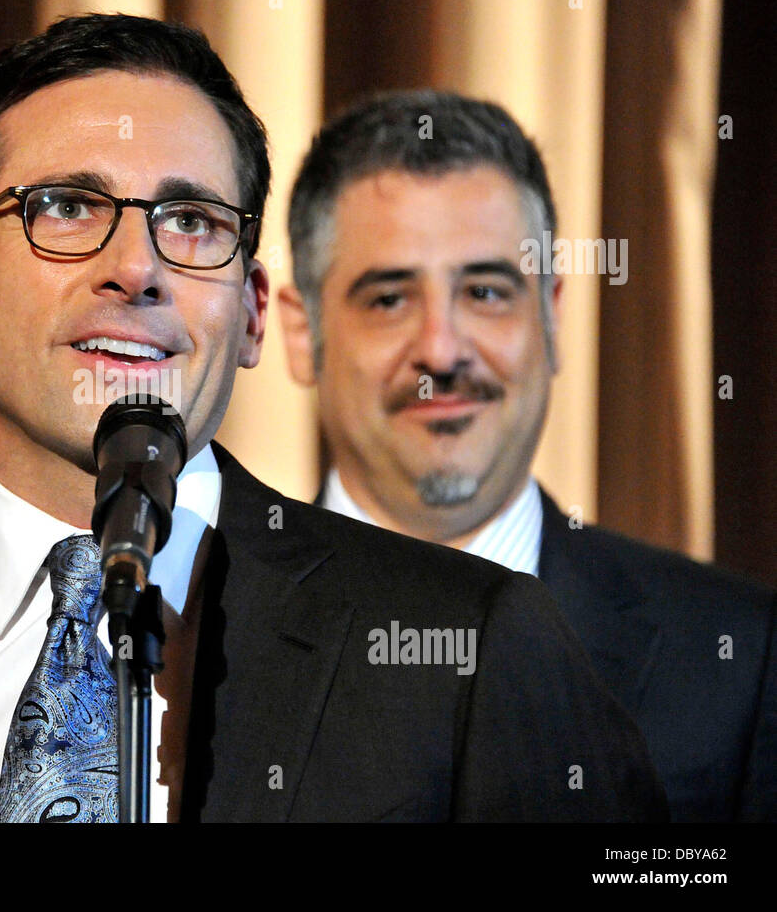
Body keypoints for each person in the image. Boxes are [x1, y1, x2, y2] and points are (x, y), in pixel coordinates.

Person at [0, 16, 664, 823]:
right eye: (64, 206)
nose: (136, 268)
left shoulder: (471, 647)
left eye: (191, 223)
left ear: (254, 315)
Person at [279, 89, 776, 822]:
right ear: (301, 334)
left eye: (485, 291)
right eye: (388, 299)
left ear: (552, 315)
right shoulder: (190, 634)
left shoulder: (736, 657)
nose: (441, 352)